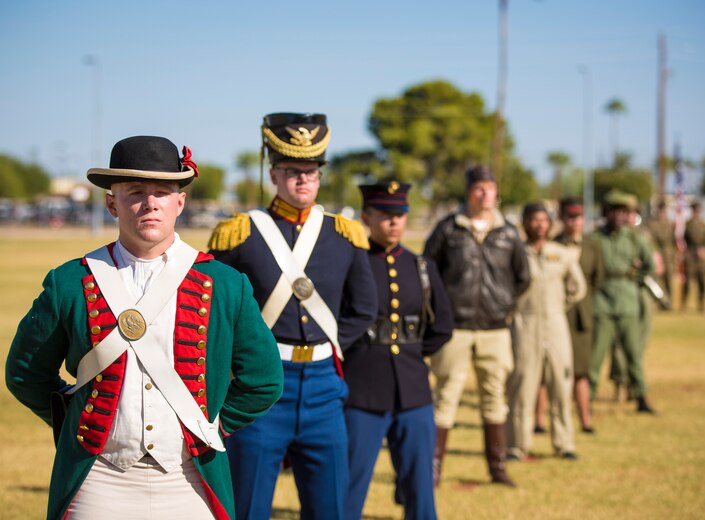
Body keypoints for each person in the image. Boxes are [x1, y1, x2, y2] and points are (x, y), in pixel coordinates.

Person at [6, 136, 283, 519]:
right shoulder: (69, 282)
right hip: (98, 478)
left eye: (163, 192)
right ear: (111, 203)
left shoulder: (224, 284)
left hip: (189, 478)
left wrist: (213, 428)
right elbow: (25, 373)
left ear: (180, 202)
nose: (150, 203)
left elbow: (265, 379)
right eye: (135, 191)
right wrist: (77, 424)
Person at [207, 113, 377, 520]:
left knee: (331, 509)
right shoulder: (240, 234)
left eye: (311, 171)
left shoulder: (345, 234)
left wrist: (331, 345)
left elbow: (364, 308)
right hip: (260, 386)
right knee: (246, 508)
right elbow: (213, 310)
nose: (303, 180)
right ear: (274, 173)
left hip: (323, 388)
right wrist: (248, 358)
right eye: (292, 171)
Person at [343, 180, 453, 520]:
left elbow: (442, 326)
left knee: (421, 486)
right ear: (366, 216)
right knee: (350, 485)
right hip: (362, 390)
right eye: (385, 214)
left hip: (413, 391)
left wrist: (412, 353)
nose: (394, 222)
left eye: (400, 214)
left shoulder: (422, 267)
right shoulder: (351, 264)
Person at [423, 165, 530, 488]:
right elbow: (427, 270)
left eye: (490, 188)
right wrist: (440, 312)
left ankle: (497, 468)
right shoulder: (448, 229)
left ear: (497, 192)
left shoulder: (509, 233)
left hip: (495, 330)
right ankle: (434, 469)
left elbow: (523, 277)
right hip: (455, 329)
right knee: (446, 397)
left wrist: (503, 305)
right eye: (478, 188)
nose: (484, 194)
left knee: (495, 397)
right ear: (468, 191)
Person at [506, 203, 586, 461]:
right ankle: (517, 445)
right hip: (524, 324)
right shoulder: (515, 253)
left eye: (544, 220)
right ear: (525, 223)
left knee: (561, 385)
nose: (539, 225)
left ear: (550, 224)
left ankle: (564, 443)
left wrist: (558, 306)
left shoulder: (561, 253)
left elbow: (577, 287)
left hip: (555, 324)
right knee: (522, 387)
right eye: (534, 220)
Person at [589, 190, 656, 414]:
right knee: (596, 354)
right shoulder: (595, 238)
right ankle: (587, 397)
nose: (618, 217)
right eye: (614, 212)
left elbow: (650, 265)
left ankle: (640, 397)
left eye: (623, 212)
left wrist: (634, 280)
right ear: (606, 213)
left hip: (628, 301)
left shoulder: (634, 239)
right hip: (603, 301)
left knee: (633, 353)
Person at [554, 197, 605, 433]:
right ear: (562, 218)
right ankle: (539, 422)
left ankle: (585, 420)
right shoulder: (552, 245)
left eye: (579, 217)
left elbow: (597, 279)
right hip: (556, 313)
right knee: (549, 372)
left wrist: (581, 299)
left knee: (581, 371)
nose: (576, 222)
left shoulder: (593, 246)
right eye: (571, 217)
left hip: (582, 316)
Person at [683, 201, 705, 311]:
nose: (696, 213)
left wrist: (704, 250)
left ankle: (702, 303)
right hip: (691, 255)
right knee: (688, 281)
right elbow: (685, 239)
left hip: (701, 257)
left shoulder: (704, 224)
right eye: (695, 210)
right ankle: (684, 303)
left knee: (702, 281)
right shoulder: (688, 224)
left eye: (698, 210)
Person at [647, 201, 676, 300]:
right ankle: (658, 299)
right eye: (661, 210)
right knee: (656, 278)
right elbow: (651, 240)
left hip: (668, 255)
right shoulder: (652, 224)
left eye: (664, 210)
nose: (663, 212)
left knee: (669, 278)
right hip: (658, 254)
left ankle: (669, 299)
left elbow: (672, 240)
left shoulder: (669, 223)